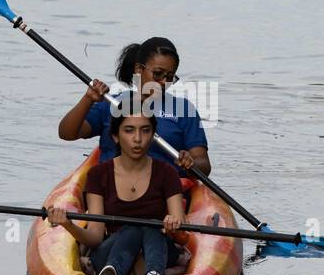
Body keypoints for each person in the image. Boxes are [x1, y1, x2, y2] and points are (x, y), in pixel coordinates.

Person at [47, 109, 186, 275]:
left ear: (152, 135)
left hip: (156, 249)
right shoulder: (98, 175)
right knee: (134, 228)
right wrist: (68, 225)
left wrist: (173, 222)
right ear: (115, 136)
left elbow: (179, 221)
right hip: (111, 249)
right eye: (129, 130)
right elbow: (95, 238)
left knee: (151, 225)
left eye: (145, 130)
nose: (137, 138)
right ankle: (114, 273)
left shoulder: (167, 173)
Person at [57, 37, 211, 176]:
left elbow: (203, 165)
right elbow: (66, 133)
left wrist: (190, 162)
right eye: (158, 74)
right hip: (111, 188)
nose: (164, 82)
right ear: (139, 69)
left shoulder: (183, 109)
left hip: (166, 192)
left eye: (170, 77)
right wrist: (88, 99)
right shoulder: (110, 104)